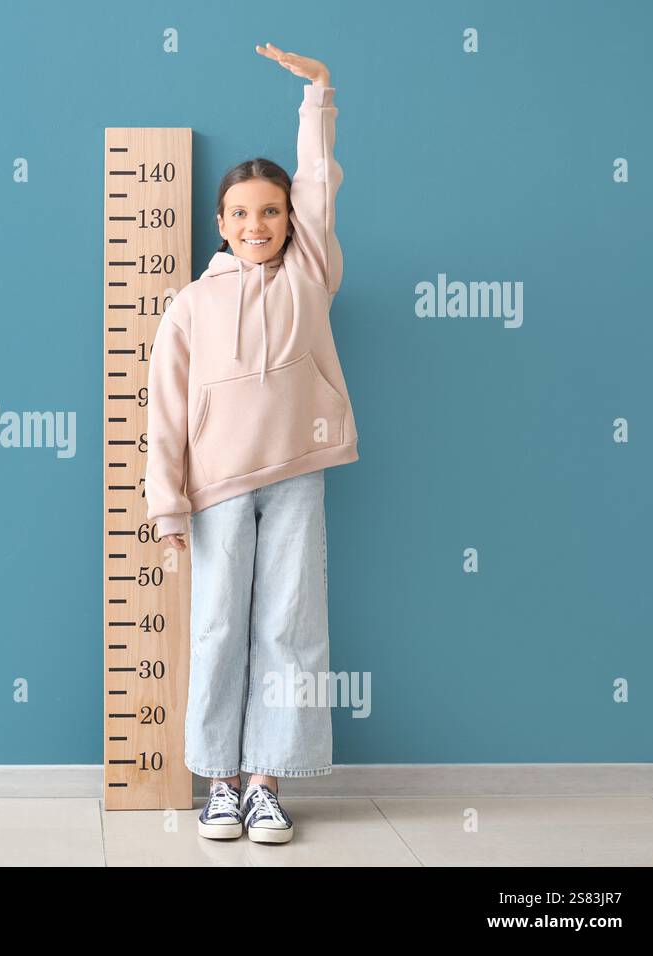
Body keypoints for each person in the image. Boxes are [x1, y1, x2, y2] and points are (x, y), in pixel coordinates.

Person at [145, 43, 360, 843]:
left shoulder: (312, 274)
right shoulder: (191, 305)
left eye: (270, 211)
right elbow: (163, 411)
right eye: (240, 213)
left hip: (298, 473)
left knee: (290, 626)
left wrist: (318, 96)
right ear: (220, 224)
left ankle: (268, 781)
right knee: (218, 630)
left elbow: (317, 186)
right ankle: (220, 782)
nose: (257, 224)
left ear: (289, 221)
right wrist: (167, 504)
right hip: (216, 490)